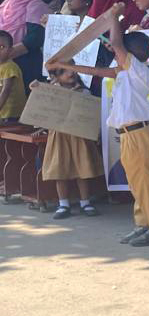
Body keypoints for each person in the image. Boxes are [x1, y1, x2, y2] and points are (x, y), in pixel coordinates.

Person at [54, 4, 149, 247]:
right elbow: (98, 70)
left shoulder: (136, 68)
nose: (114, 51)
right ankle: (143, 224)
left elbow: (117, 43)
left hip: (139, 133)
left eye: (119, 51)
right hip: (129, 134)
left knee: (146, 183)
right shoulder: (124, 72)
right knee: (136, 182)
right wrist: (67, 66)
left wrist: (112, 18)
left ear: (129, 53)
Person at [33, 65, 103, 217]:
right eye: (64, 71)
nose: (71, 72)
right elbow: (40, 109)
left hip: (79, 137)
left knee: (82, 169)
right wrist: (38, 90)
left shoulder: (84, 92)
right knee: (60, 170)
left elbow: (89, 115)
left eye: (72, 69)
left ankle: (85, 202)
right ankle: (63, 204)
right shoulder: (51, 92)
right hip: (59, 137)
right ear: (56, 77)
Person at [0, 0, 49, 93]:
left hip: (25, 62)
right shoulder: (6, 4)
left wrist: (8, 54)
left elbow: (34, 38)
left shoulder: (36, 6)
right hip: (5, 61)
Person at [0, 30, 26, 123]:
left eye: (2, 47)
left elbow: (6, 90)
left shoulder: (10, 67)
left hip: (11, 116)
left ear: (10, 50)